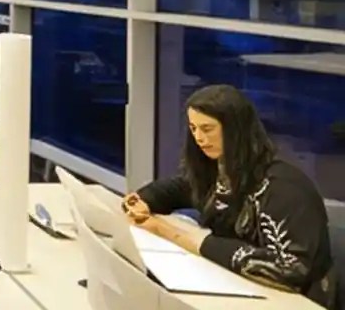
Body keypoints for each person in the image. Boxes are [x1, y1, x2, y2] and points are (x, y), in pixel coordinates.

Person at [124, 85, 339, 309]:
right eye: (193, 128)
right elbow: (183, 188)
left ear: (235, 129)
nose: (199, 138)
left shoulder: (283, 188)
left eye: (207, 129)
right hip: (237, 286)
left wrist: (175, 234)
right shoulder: (222, 170)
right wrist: (144, 199)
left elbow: (290, 269)